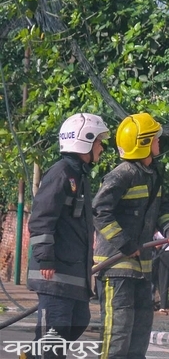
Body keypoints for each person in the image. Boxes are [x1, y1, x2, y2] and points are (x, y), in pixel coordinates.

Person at [93, 112, 169, 359]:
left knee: (139, 336)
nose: (159, 142)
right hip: (116, 269)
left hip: (142, 269)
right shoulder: (121, 175)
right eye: (155, 138)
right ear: (143, 143)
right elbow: (100, 211)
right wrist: (124, 243)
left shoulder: (153, 174)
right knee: (117, 338)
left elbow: (161, 210)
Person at [27, 113, 108, 359]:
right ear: (85, 141)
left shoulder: (78, 176)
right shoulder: (61, 173)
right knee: (54, 337)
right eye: (99, 142)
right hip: (55, 273)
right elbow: (41, 218)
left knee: (79, 321)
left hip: (72, 275)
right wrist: (46, 259)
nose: (102, 148)